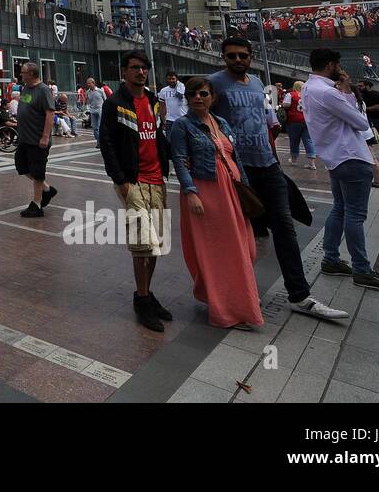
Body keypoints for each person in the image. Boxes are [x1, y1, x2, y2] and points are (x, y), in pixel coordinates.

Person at [209, 37, 348, 321]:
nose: (238, 60)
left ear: (251, 56)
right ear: (223, 57)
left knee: (284, 227)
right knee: (237, 234)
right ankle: (236, 295)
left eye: (243, 55)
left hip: (268, 164)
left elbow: (263, 120)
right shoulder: (214, 83)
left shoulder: (259, 83)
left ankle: (299, 295)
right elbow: (201, 120)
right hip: (237, 169)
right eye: (232, 56)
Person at [301, 49, 379, 291]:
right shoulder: (329, 92)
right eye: (337, 64)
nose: (340, 68)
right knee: (355, 215)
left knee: (340, 209)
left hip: (334, 157)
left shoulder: (308, 87)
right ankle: (362, 269)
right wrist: (346, 91)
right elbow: (361, 122)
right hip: (351, 156)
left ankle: (331, 258)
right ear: (329, 65)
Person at [169, 76, 263, 330]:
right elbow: (178, 159)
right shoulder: (182, 126)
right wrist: (190, 192)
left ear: (212, 97)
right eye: (192, 94)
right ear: (186, 98)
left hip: (231, 190)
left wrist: (244, 185)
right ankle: (227, 310)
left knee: (246, 248)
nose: (198, 98)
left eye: (203, 93)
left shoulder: (221, 122)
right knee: (220, 252)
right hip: (206, 191)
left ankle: (232, 297)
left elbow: (236, 156)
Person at [98, 51, 172, 331]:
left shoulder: (153, 101)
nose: (141, 72)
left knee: (157, 243)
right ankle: (141, 300)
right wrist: (121, 181)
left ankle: (147, 294)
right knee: (142, 244)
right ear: (124, 72)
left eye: (144, 68)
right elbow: (106, 144)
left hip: (157, 179)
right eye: (135, 68)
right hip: (133, 180)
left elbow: (157, 136)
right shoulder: (114, 103)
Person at [14, 61, 58, 217]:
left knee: (38, 172)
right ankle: (47, 189)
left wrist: (45, 136)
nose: (21, 74)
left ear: (32, 74)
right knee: (22, 166)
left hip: (37, 139)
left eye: (23, 72)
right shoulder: (26, 88)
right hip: (24, 138)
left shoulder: (43, 90)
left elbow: (50, 113)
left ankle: (37, 204)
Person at [282, 80, 319, 171]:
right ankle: (312, 163)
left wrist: (282, 105)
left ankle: (294, 160)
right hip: (307, 120)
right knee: (308, 140)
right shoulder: (307, 95)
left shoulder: (291, 94)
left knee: (294, 140)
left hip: (294, 120)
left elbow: (286, 105)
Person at [156, 70, 186, 138]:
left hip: (183, 119)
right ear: (166, 79)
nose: (171, 80)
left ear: (176, 79)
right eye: (169, 79)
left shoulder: (184, 89)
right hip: (170, 121)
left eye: (173, 79)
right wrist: (163, 121)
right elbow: (162, 107)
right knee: (170, 142)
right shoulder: (163, 91)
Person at [85, 77, 106, 147]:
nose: (88, 85)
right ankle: (99, 141)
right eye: (87, 83)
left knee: (100, 127)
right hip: (92, 111)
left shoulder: (100, 91)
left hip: (100, 110)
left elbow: (105, 100)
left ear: (93, 83)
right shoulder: (88, 92)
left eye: (89, 83)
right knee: (95, 128)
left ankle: (100, 143)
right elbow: (87, 101)